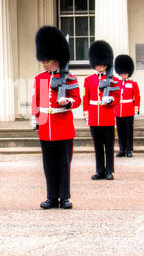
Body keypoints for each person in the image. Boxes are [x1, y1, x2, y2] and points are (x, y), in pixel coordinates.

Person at [31, 25, 80, 209]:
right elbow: (37, 101)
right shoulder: (40, 78)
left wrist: (68, 103)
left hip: (63, 126)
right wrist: (36, 120)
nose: (44, 63)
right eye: (43, 60)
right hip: (46, 126)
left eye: (48, 60)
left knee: (64, 165)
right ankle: (52, 197)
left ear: (57, 59)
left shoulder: (70, 78)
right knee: (48, 165)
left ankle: (64, 196)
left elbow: (77, 100)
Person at [83, 39, 117, 181]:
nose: (99, 66)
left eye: (102, 63)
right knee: (97, 147)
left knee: (109, 146)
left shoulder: (113, 79)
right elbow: (86, 97)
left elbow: (117, 96)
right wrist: (86, 113)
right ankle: (99, 171)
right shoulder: (89, 79)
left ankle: (109, 170)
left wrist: (111, 100)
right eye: (97, 63)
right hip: (94, 117)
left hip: (107, 116)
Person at [114, 54, 140, 158]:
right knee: (120, 131)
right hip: (118, 110)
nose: (123, 74)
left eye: (125, 72)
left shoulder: (133, 83)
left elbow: (137, 97)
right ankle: (122, 149)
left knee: (129, 131)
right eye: (121, 72)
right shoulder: (115, 83)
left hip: (129, 110)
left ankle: (129, 150)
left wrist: (136, 110)